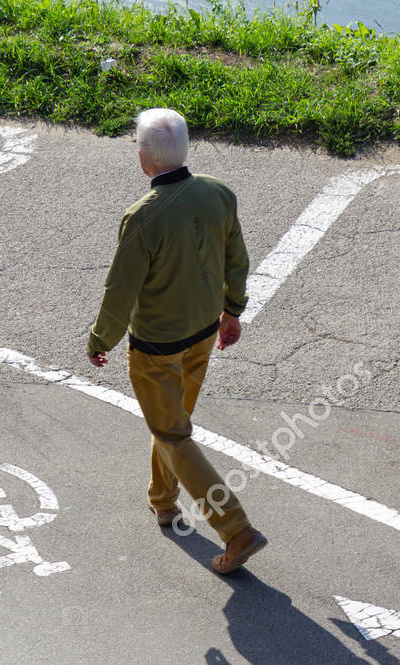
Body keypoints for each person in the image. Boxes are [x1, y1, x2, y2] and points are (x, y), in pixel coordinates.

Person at [86, 108, 268, 575]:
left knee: (172, 432)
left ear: (144, 157)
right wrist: (233, 311)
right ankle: (163, 500)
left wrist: (101, 338)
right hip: (204, 333)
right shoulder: (217, 193)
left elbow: (120, 289)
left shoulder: (142, 216)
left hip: (157, 347)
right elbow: (237, 258)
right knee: (170, 420)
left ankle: (235, 528)